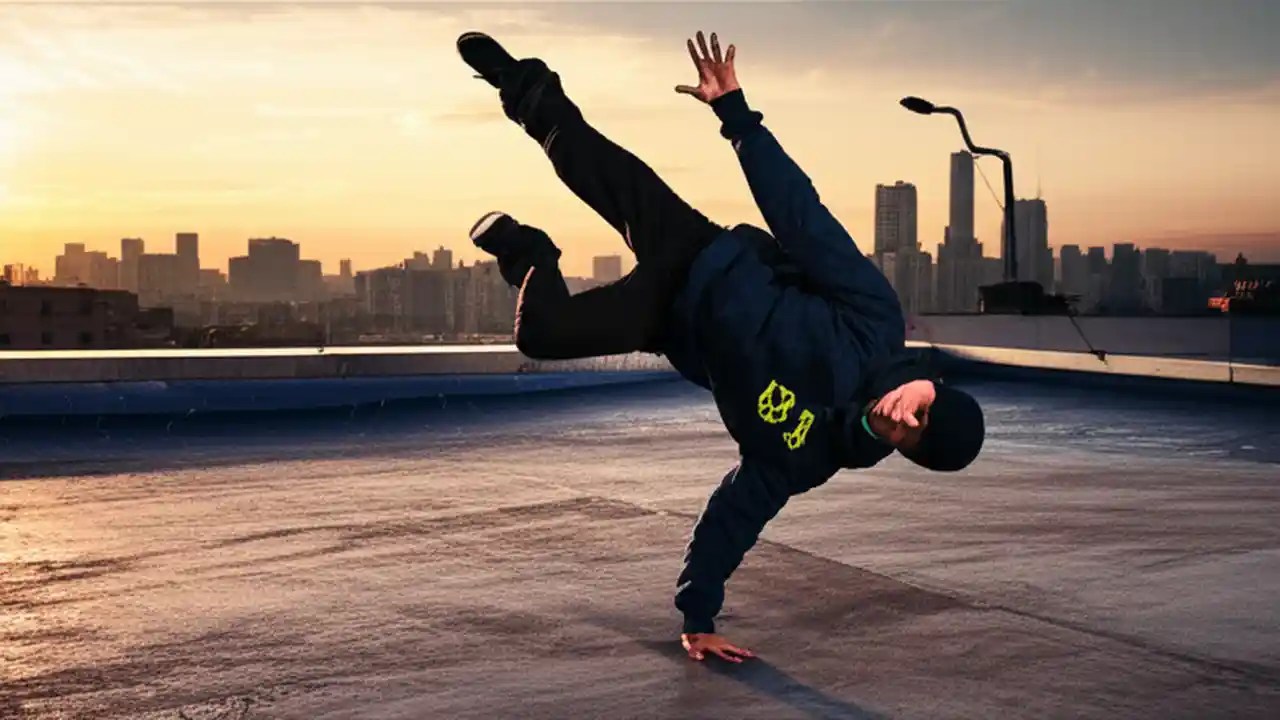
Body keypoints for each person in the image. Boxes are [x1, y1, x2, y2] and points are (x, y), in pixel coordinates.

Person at [457, 30, 985, 664]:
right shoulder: (875, 321)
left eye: (912, 437)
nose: (904, 419)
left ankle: (529, 254)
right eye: (922, 409)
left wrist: (698, 615)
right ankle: (522, 85)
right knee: (586, 162)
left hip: (667, 321)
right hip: (702, 252)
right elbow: (803, 219)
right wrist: (736, 116)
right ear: (930, 388)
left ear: (905, 452)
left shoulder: (807, 456)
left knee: (538, 335)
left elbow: (733, 516)